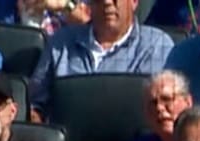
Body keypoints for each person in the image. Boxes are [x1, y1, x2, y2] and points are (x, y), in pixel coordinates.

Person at [28, 0, 175, 121]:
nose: (107, 2)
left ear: (134, 2)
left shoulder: (156, 45)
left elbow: (161, 112)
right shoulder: (61, 43)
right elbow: (35, 104)